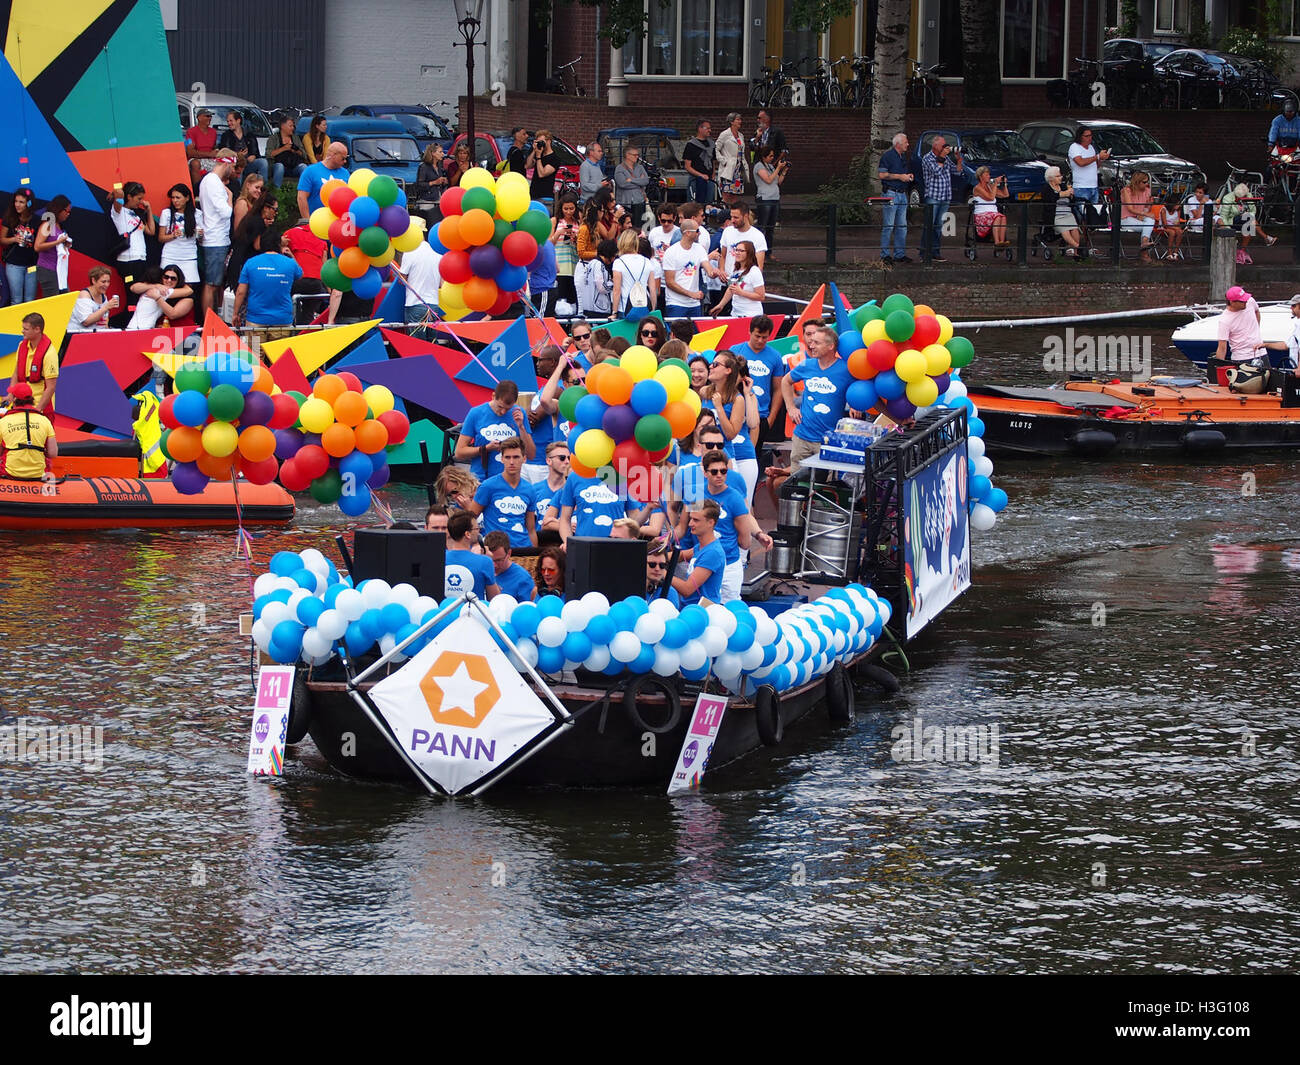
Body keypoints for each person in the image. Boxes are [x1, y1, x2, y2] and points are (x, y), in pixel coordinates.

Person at [781, 324, 854, 473]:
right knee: (796, 483)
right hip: (802, 437)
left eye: (816, 343)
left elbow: (859, 390)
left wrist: (855, 404)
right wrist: (790, 407)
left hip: (829, 440)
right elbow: (785, 381)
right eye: (811, 341)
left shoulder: (846, 369)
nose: (811, 345)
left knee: (825, 487)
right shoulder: (807, 365)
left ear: (830, 346)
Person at [703, 352, 760, 502]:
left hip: (734, 455)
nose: (711, 366)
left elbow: (752, 425)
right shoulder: (705, 392)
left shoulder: (739, 398)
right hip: (707, 455)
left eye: (715, 364)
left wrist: (720, 408)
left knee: (740, 505)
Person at [466, 436, 536, 549]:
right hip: (495, 550)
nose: (512, 462)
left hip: (523, 549)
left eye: (516, 457)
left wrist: (535, 553)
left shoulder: (530, 489)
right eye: (507, 457)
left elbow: (531, 529)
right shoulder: (488, 486)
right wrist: (475, 545)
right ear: (502, 459)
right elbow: (469, 520)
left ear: (524, 459)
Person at [456, 380, 536, 479]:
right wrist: (485, 448)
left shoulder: (518, 413)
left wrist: (521, 427)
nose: (503, 412)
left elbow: (531, 455)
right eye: (500, 406)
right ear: (493, 396)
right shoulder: (476, 413)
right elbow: (459, 452)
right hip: (481, 478)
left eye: (508, 409)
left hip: (509, 480)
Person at [233, 230, 303, 328]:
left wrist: (235, 314)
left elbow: (241, 292)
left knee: (254, 343)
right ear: (279, 244)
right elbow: (300, 274)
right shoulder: (290, 263)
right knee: (279, 344)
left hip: (255, 321)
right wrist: (291, 256)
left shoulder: (251, 263)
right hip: (282, 320)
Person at [549, 465, 636, 540]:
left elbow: (635, 521)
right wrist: (568, 543)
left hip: (617, 545)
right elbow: (565, 519)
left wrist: (649, 508)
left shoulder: (622, 477)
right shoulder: (574, 477)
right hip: (583, 546)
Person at [198, 154, 236, 316]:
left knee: (215, 283)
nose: (233, 171)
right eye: (233, 167)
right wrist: (230, 197)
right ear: (226, 164)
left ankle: (213, 318)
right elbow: (226, 212)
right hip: (215, 239)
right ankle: (208, 321)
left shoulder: (210, 181)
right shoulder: (213, 182)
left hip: (216, 238)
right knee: (211, 284)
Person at [741, 315, 785, 448]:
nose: (760, 341)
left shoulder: (775, 356)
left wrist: (770, 419)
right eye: (757, 336)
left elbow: (778, 389)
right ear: (749, 332)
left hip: (761, 416)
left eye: (764, 337)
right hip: (738, 413)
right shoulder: (735, 351)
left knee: (755, 458)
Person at [672, 499, 725, 607]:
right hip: (692, 610)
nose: (690, 523)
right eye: (690, 519)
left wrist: (662, 574)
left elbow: (687, 589)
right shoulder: (701, 547)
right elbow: (680, 555)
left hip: (702, 614)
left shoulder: (712, 553)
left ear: (711, 523)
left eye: (696, 520)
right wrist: (654, 556)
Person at [0, 382, 56, 480]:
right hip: (38, 474)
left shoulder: (4, 421)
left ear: (15, 399)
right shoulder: (44, 420)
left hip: (10, 473)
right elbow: (53, 453)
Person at [921, 135, 963, 261]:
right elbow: (936, 172)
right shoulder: (927, 158)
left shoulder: (945, 158)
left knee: (939, 226)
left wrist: (958, 159)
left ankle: (935, 251)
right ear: (935, 146)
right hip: (933, 196)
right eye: (943, 145)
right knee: (929, 224)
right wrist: (943, 156)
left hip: (945, 196)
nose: (946, 147)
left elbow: (957, 172)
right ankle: (924, 253)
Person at [878, 132, 917, 264]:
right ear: (898, 144)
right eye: (906, 142)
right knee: (888, 225)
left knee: (902, 225)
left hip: (901, 193)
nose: (908, 144)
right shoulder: (888, 156)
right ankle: (885, 255)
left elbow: (899, 174)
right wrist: (900, 177)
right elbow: (882, 175)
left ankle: (899, 254)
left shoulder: (902, 156)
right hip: (891, 193)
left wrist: (907, 176)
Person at [10, 312, 59, 413]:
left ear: (37, 329)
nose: (22, 331)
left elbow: (51, 387)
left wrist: (38, 410)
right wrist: (11, 394)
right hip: (21, 403)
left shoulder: (49, 354)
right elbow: (16, 373)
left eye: (26, 329)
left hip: (40, 406)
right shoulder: (21, 346)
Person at [444, 511, 499, 599]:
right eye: (477, 529)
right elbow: (494, 598)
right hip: (474, 611)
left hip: (444, 611)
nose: (479, 531)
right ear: (467, 534)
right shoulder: (484, 561)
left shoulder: (438, 558)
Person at [662, 220, 710, 320]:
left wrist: (715, 272)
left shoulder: (699, 249)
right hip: (676, 303)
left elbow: (708, 267)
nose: (699, 233)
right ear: (688, 233)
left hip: (694, 304)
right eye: (697, 231)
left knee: (696, 335)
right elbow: (670, 282)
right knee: (676, 334)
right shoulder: (672, 252)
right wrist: (691, 294)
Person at [1219, 182, 1275, 265]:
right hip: (1232, 220)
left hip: (1246, 220)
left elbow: (1253, 210)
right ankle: (1266, 238)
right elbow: (1224, 216)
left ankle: (1242, 251)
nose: (1240, 199)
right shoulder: (1227, 198)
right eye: (1238, 198)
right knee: (1250, 221)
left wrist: (1248, 215)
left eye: (1243, 197)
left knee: (1249, 221)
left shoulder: (1249, 196)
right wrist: (1228, 229)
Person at [397, 231, 441, 338]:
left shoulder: (410, 251)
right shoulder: (437, 251)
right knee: (432, 345)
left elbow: (401, 280)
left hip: (415, 304)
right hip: (434, 305)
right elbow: (441, 283)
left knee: (416, 346)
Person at [2, 188, 40, 305]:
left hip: (32, 264)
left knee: (30, 300)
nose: (17, 205)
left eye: (21, 202)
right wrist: (14, 239)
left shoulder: (36, 220)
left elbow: (43, 239)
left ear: (28, 203)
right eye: (16, 201)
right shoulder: (9, 218)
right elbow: (2, 239)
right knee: (16, 300)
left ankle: (30, 323)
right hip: (14, 264)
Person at [156, 184, 201, 284]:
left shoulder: (197, 214)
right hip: (170, 255)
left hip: (189, 256)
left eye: (178, 197)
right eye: (173, 197)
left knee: (190, 285)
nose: (175, 200)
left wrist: (199, 233)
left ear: (187, 198)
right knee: (166, 284)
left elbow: (200, 239)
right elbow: (161, 238)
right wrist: (173, 235)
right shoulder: (166, 213)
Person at [127, 266, 195, 330]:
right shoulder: (163, 292)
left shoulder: (151, 289)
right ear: (161, 278)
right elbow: (189, 291)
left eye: (173, 278)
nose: (169, 280)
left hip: (134, 327)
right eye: (166, 277)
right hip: (141, 329)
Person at [296, 141, 350, 221]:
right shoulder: (310, 171)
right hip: (317, 222)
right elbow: (301, 197)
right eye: (343, 158)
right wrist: (307, 221)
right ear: (333, 155)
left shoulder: (345, 173)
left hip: (339, 223)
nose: (345, 161)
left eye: (346, 158)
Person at [1214, 285, 1267, 364]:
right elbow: (1222, 347)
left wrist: (1256, 330)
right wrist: (1218, 366)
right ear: (1232, 302)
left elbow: (1256, 311)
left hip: (1261, 353)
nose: (1246, 301)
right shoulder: (1225, 320)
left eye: (1246, 299)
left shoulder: (1250, 301)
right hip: (1241, 358)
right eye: (1242, 301)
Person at [711, 239, 764, 318]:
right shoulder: (736, 270)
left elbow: (761, 296)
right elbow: (731, 289)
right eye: (736, 250)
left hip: (751, 315)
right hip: (736, 313)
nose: (737, 253)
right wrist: (721, 305)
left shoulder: (754, 271)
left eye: (741, 251)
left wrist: (741, 292)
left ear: (749, 253)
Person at [33, 195, 73, 298]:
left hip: (58, 270)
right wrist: (58, 242)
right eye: (67, 211)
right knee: (53, 300)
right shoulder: (48, 224)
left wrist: (64, 243)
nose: (68, 215)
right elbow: (37, 246)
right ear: (59, 209)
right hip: (48, 269)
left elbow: (53, 242)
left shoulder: (56, 224)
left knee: (64, 298)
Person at [532, 440, 572, 542]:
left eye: (569, 458)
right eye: (562, 458)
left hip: (564, 543)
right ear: (549, 461)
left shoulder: (572, 491)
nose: (567, 461)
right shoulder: (534, 490)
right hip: (540, 542)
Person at [753, 146, 787, 256]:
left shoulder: (770, 167)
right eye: (770, 156)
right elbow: (768, 180)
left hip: (774, 198)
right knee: (763, 226)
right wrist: (778, 168)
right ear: (764, 156)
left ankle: (769, 252)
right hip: (765, 199)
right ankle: (759, 252)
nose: (772, 158)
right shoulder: (759, 166)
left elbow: (778, 182)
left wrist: (783, 172)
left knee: (771, 228)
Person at [716, 203, 767, 275]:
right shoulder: (727, 231)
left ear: (745, 216)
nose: (732, 220)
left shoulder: (758, 236)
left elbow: (759, 267)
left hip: (745, 282)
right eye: (731, 217)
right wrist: (721, 271)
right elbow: (723, 256)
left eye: (736, 217)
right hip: (727, 280)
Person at [484, 531, 536, 601]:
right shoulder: (481, 571)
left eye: (498, 560)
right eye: (490, 560)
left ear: (509, 553)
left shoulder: (523, 579)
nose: (494, 565)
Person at [550, 193, 580, 309]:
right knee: (559, 301)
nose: (568, 212)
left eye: (571, 208)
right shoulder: (555, 221)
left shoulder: (578, 222)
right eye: (565, 209)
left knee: (573, 301)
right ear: (561, 208)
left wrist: (575, 238)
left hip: (574, 266)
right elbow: (549, 243)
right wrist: (559, 232)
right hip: (559, 267)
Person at [219, 110, 264, 184]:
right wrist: (237, 155)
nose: (229, 123)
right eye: (228, 121)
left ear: (238, 121)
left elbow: (256, 152)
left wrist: (253, 156)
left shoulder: (249, 134)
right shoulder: (226, 135)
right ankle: (238, 191)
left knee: (263, 162)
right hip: (235, 163)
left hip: (248, 162)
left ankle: (262, 187)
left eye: (231, 121)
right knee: (239, 167)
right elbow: (224, 152)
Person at [68, 266, 118, 333]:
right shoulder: (84, 295)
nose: (106, 285)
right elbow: (86, 321)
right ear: (94, 280)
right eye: (103, 282)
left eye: (108, 281)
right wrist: (106, 307)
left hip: (97, 333)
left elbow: (104, 321)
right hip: (79, 333)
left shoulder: (104, 297)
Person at [1067, 126, 1109, 205]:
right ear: (1080, 137)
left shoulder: (1091, 147)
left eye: (1090, 135)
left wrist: (1101, 159)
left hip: (1094, 186)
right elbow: (1081, 162)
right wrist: (1097, 156)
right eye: (1086, 136)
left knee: (1094, 212)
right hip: (1081, 187)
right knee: (1082, 212)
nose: (1089, 138)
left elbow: (1095, 166)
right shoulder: (1074, 147)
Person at [576, 238, 616, 318]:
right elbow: (601, 287)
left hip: (588, 306)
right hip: (599, 308)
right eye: (614, 255)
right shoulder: (599, 265)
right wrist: (613, 282)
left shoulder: (591, 263)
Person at [971, 167, 1010, 247]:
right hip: (982, 215)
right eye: (987, 174)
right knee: (998, 217)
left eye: (989, 174)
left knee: (1003, 217)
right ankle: (997, 242)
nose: (989, 176)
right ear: (981, 176)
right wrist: (995, 184)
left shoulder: (990, 186)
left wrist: (1004, 184)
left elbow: (1005, 195)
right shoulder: (977, 188)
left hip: (993, 214)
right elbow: (991, 197)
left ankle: (1002, 242)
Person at [267, 114, 307, 188]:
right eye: (290, 126)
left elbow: (304, 154)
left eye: (293, 126)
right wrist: (284, 148)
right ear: (282, 126)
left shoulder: (295, 138)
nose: (293, 128)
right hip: (278, 165)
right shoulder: (273, 138)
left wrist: (295, 151)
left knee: (304, 167)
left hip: (293, 165)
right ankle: (277, 191)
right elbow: (269, 154)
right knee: (279, 167)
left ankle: (303, 191)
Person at [716, 112, 748, 205]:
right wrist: (724, 161)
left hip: (738, 170)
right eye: (738, 119)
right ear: (731, 122)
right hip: (728, 170)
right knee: (726, 195)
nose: (740, 121)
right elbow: (716, 149)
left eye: (740, 119)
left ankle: (734, 215)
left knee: (735, 196)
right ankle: (725, 214)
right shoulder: (724, 134)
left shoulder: (741, 135)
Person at [185, 107, 221, 187]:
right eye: (207, 116)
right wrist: (209, 154)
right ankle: (197, 190)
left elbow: (213, 149)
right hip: (196, 159)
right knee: (195, 164)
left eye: (210, 116)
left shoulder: (213, 132)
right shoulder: (190, 132)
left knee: (224, 165)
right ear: (199, 118)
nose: (209, 118)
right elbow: (190, 152)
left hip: (210, 159)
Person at [683, 119, 716, 204]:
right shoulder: (691, 145)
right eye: (707, 128)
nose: (710, 130)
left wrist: (713, 174)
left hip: (709, 180)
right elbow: (687, 166)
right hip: (696, 179)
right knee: (695, 204)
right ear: (700, 129)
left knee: (709, 203)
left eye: (710, 128)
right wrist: (701, 175)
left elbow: (713, 160)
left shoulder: (711, 144)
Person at [614, 146, 650, 221]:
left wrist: (631, 180)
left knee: (639, 225)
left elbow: (646, 181)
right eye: (635, 155)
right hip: (625, 202)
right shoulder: (619, 168)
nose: (637, 157)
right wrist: (639, 181)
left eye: (638, 155)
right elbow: (622, 184)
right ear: (627, 155)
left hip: (639, 201)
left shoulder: (640, 167)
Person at [644, 539, 680, 606]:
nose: (657, 569)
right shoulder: (631, 588)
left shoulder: (670, 593)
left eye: (662, 565)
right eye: (652, 564)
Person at [527, 235, 557, 314]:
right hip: (545, 288)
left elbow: (527, 271)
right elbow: (557, 268)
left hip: (541, 288)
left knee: (539, 322)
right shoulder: (548, 243)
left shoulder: (535, 245)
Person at [529, 129, 559, 205]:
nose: (541, 144)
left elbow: (542, 174)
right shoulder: (539, 153)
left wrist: (538, 157)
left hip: (545, 197)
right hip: (533, 195)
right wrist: (534, 150)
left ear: (549, 141)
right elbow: (527, 165)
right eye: (538, 142)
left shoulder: (554, 158)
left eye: (542, 141)